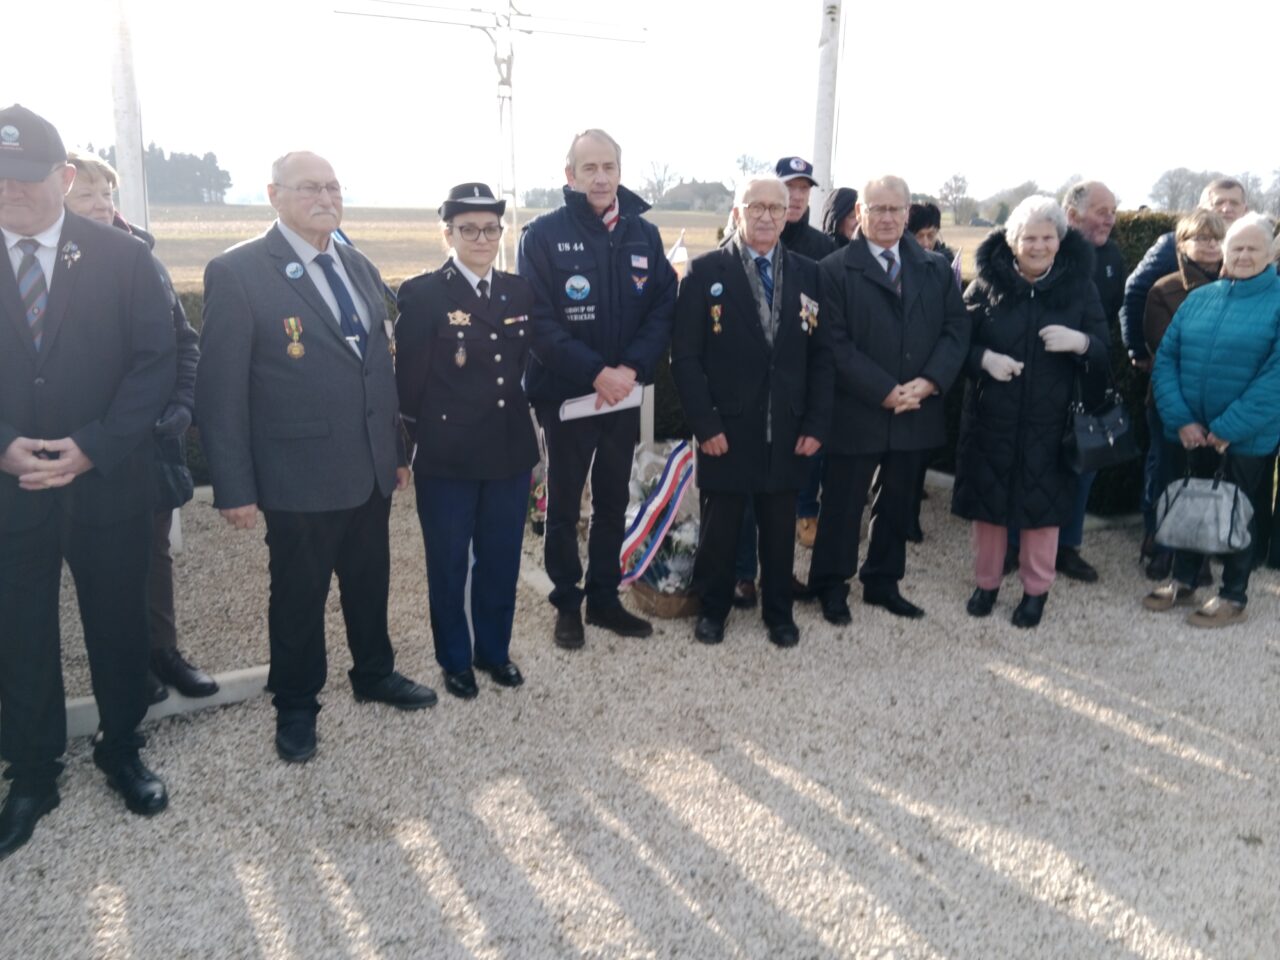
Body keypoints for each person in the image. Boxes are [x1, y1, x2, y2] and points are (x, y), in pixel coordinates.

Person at [196, 151, 436, 764]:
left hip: (368, 468)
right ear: (274, 195)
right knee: (298, 595)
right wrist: (233, 485)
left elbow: (377, 365)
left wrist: (397, 450)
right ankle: (297, 704)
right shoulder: (239, 271)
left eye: (332, 186)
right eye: (309, 187)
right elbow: (220, 390)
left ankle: (374, 673)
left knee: (369, 581)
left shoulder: (356, 263)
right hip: (296, 473)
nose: (325, 196)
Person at [0, 105, 176, 860]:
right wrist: (3, 447)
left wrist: (93, 447)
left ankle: (121, 745)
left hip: (106, 483)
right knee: (20, 634)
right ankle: (33, 770)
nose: (11, 190)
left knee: (117, 623)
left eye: (28, 177)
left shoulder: (122, 258)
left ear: (66, 178)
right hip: (11, 489)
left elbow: (155, 364)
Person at [63, 152, 218, 703]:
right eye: (87, 196)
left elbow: (184, 343)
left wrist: (179, 408)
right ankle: (120, 668)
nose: (102, 206)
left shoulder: (141, 258)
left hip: (146, 445)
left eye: (108, 194)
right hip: (68, 445)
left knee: (151, 555)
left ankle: (161, 653)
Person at [518, 129, 677, 649]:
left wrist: (630, 369)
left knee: (613, 499)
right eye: (590, 168)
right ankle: (568, 603)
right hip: (566, 396)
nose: (601, 177)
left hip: (623, 395)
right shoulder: (541, 236)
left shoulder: (642, 235)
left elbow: (662, 307)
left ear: (619, 173)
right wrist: (596, 372)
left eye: (609, 167)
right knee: (565, 504)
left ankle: (605, 598)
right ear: (570, 176)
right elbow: (537, 323)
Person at [671, 178, 832, 647]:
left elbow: (822, 356)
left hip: (788, 429)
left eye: (776, 208)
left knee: (780, 531)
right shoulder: (704, 272)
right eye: (756, 206)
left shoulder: (810, 274)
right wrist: (704, 424)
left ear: (788, 214)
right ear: (737, 212)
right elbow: (685, 358)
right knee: (720, 532)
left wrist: (817, 423)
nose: (766, 216)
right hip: (726, 428)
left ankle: (778, 612)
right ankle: (713, 609)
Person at [806, 174, 970, 623]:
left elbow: (957, 330)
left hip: (917, 406)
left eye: (895, 209)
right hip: (858, 408)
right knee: (842, 504)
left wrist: (930, 381)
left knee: (898, 503)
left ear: (907, 212)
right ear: (860, 213)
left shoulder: (935, 268)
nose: (886, 217)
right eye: (876, 209)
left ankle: (882, 581)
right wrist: (883, 390)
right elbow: (833, 344)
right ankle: (831, 584)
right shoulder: (834, 270)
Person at [395, 184, 536, 700]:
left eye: (491, 228)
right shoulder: (424, 294)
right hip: (447, 456)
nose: (482, 238)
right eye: (469, 229)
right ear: (448, 234)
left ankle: (494, 652)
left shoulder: (519, 292)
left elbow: (524, 367)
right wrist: (403, 451)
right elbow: (407, 384)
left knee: (501, 561)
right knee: (450, 563)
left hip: (508, 450)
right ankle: (455, 659)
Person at [952, 196, 1109, 627]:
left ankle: (1035, 591)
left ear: (1060, 240)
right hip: (992, 416)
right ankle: (985, 584)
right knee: (989, 510)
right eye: (1029, 237)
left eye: (1047, 237)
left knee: (1043, 513)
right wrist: (984, 359)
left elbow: (1103, 349)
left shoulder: (1080, 288)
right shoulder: (985, 284)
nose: (1038, 245)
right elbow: (957, 343)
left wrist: (1080, 344)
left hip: (1052, 421)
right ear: (1011, 239)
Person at [1144, 213, 1280, 627]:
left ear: (1272, 253)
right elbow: (1166, 359)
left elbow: (1274, 379)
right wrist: (1182, 419)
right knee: (1195, 503)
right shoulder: (1201, 299)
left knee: (1240, 510)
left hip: (1246, 436)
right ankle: (1184, 579)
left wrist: (1228, 428)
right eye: (1235, 247)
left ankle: (1233, 593)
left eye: (1252, 248)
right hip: (1194, 431)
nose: (1242, 255)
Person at [1140, 209, 1225, 579]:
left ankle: (1198, 555)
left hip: (1219, 407)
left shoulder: (1240, 287)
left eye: (1216, 238)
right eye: (1201, 238)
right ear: (1183, 243)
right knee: (1170, 477)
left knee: (1209, 481)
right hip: (1172, 404)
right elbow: (1164, 355)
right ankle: (1164, 548)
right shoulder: (1165, 289)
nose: (1210, 246)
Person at [776, 156, 837, 261]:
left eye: (804, 188)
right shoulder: (756, 239)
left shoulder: (825, 247)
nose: (798, 196)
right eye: (789, 186)